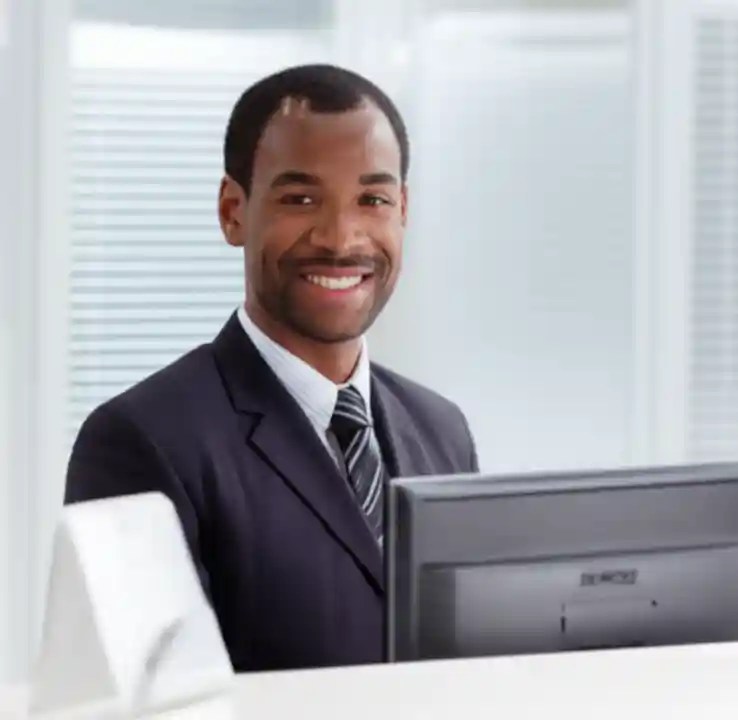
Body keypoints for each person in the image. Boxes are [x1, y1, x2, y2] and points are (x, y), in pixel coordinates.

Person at [64, 64, 478, 672]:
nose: (342, 238)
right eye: (301, 198)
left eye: (373, 199)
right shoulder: (140, 442)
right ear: (234, 210)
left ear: (403, 210)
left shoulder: (443, 432)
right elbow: (144, 705)